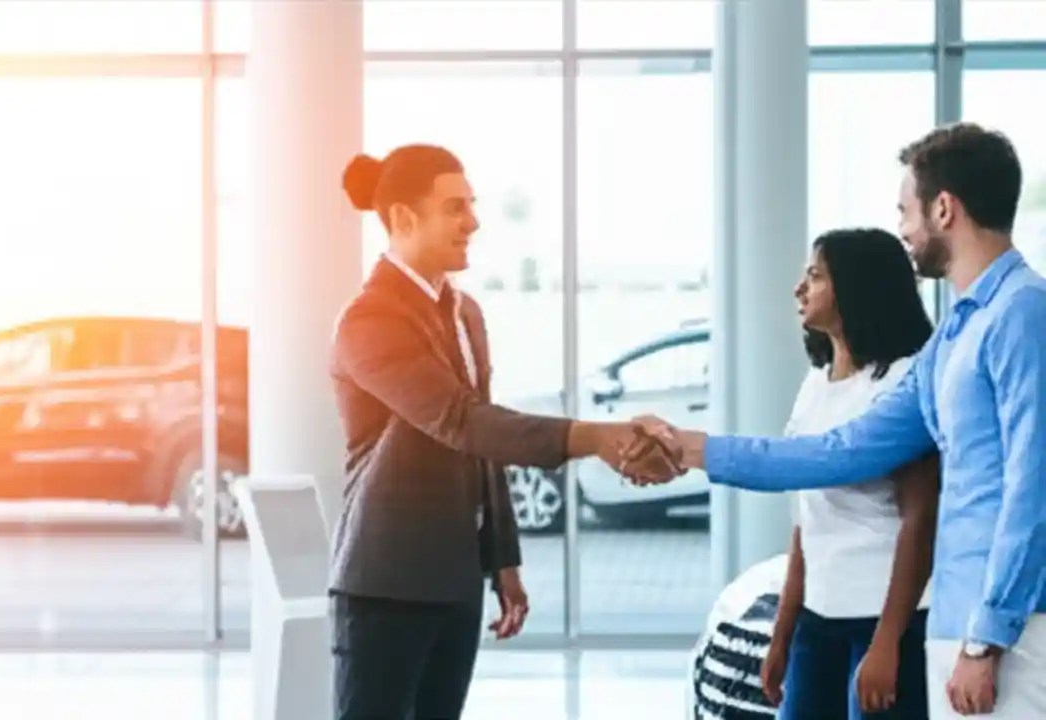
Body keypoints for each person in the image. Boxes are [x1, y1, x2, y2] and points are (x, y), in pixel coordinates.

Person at [623, 123, 1046, 718]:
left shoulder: (1023, 313)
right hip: (957, 622)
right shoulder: (955, 335)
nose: (903, 230)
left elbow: (1033, 489)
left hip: (1010, 632)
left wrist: (988, 637)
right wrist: (689, 447)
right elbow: (839, 451)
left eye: (907, 210)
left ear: (943, 209)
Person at [328, 143, 667, 720]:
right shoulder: (370, 320)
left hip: (454, 579)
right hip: (387, 585)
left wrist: (502, 561)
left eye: (472, 205)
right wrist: (596, 438)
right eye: (455, 208)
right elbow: (459, 420)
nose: (473, 222)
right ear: (404, 219)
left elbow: (480, 444)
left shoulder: (464, 314)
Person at [759, 227, 939, 720]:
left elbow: (920, 521)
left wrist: (887, 643)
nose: (800, 288)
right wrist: (784, 632)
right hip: (818, 623)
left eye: (814, 276)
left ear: (857, 288)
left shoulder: (902, 382)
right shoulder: (815, 385)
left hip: (885, 623)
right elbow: (807, 523)